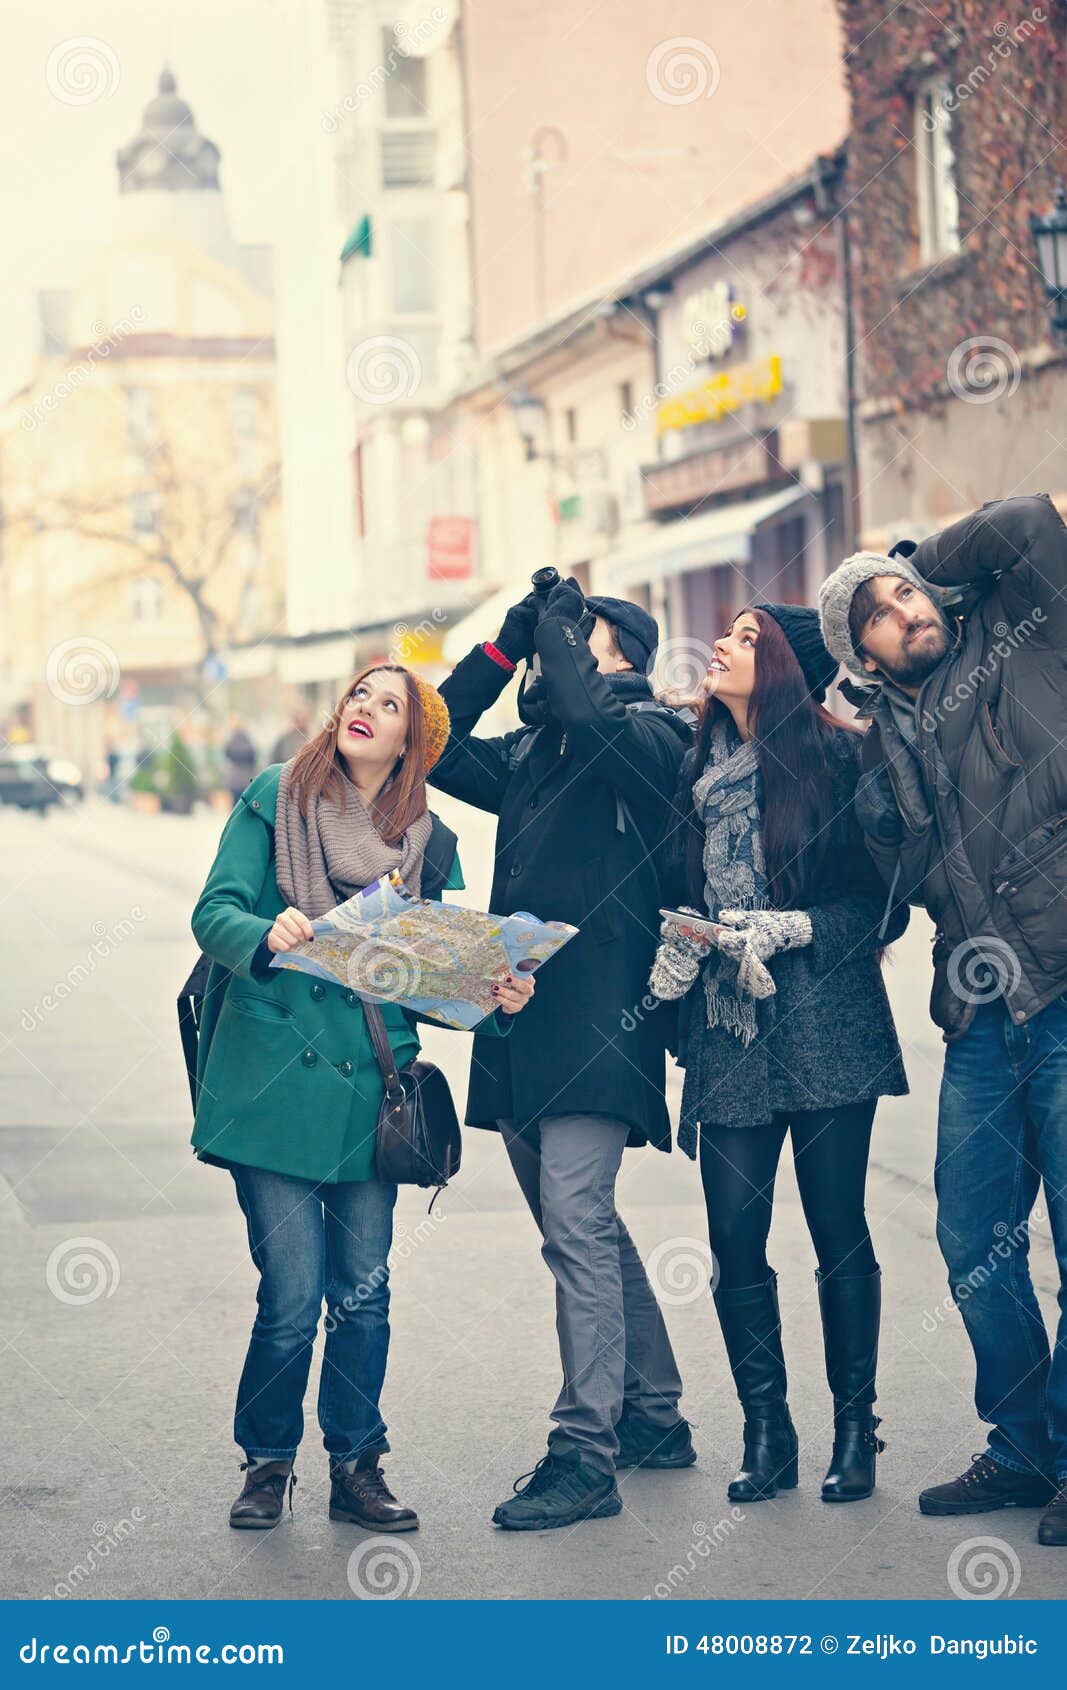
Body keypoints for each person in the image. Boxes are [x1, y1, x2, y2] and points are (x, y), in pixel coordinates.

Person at [190, 664, 533, 1534]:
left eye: (390, 705)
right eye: (359, 694)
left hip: (367, 1095)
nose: (364, 710)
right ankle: (267, 1463)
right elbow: (213, 912)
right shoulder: (277, 796)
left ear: (415, 743)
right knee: (291, 1298)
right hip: (270, 1083)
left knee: (364, 1296)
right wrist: (265, 931)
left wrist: (489, 996)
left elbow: (427, 979)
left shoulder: (430, 840)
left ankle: (356, 1465)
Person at [819, 493, 1067, 1547]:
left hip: (1061, 986)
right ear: (860, 657)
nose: (902, 606)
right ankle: (1019, 1447)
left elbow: (1025, 520)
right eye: (876, 608)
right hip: (977, 1010)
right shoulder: (880, 733)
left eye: (903, 590)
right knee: (972, 1243)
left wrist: (912, 556)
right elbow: (902, 880)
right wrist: (862, 765)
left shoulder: (1023, 641)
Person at [430, 576, 695, 1531]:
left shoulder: (657, 736)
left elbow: (586, 706)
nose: (557, 655)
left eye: (578, 638)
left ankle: (585, 1452)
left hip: (602, 1021)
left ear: (620, 651)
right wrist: (502, 646)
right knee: (576, 1224)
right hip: (520, 1023)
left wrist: (558, 632)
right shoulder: (533, 750)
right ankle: (654, 1415)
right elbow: (434, 744)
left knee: (575, 1222)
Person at [650, 604, 908, 1506]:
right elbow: (682, 891)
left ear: (785, 669)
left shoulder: (839, 758)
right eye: (724, 630)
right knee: (732, 1237)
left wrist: (790, 926)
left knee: (837, 1229)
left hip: (827, 1017)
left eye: (746, 637)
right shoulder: (698, 769)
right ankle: (767, 1429)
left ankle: (853, 1428)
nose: (718, 643)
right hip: (728, 1028)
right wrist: (684, 940)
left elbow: (884, 906)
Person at [223, 720, 256, 809]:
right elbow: (253, 757)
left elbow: (227, 754)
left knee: (235, 802)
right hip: (246, 776)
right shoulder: (248, 741)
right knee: (245, 802)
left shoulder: (231, 741)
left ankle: (234, 819)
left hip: (234, 776)